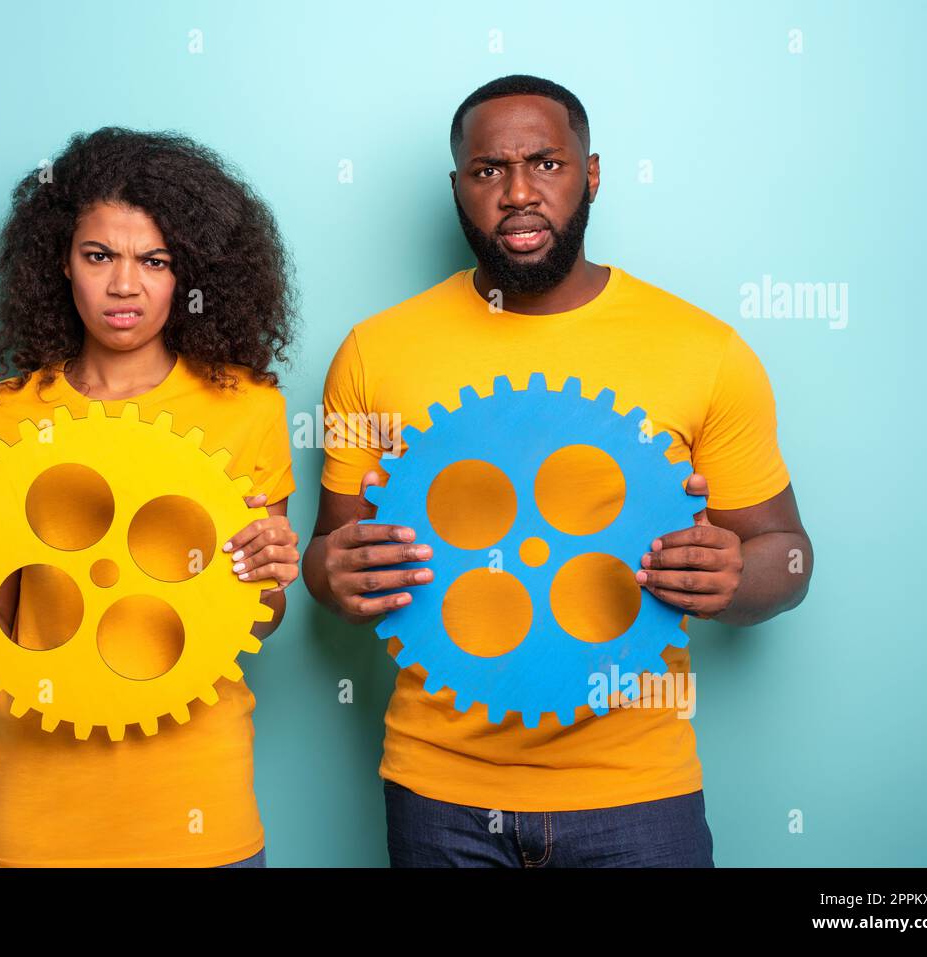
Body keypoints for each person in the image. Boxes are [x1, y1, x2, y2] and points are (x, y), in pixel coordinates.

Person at [301, 75, 814, 867]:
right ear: (457, 187)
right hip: (440, 789)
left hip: (637, 790)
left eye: (546, 164)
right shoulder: (375, 352)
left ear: (592, 174)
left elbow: (786, 553)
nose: (517, 193)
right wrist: (334, 576)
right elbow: (330, 557)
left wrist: (733, 578)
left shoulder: (704, 352)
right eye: (487, 171)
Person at [0, 127, 301, 867]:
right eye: (99, 256)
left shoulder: (249, 409)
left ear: (190, 272)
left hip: (197, 809)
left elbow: (261, 620)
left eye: (155, 260)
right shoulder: (1, 415)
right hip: (37, 812)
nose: (125, 285)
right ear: (61, 260)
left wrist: (272, 574)